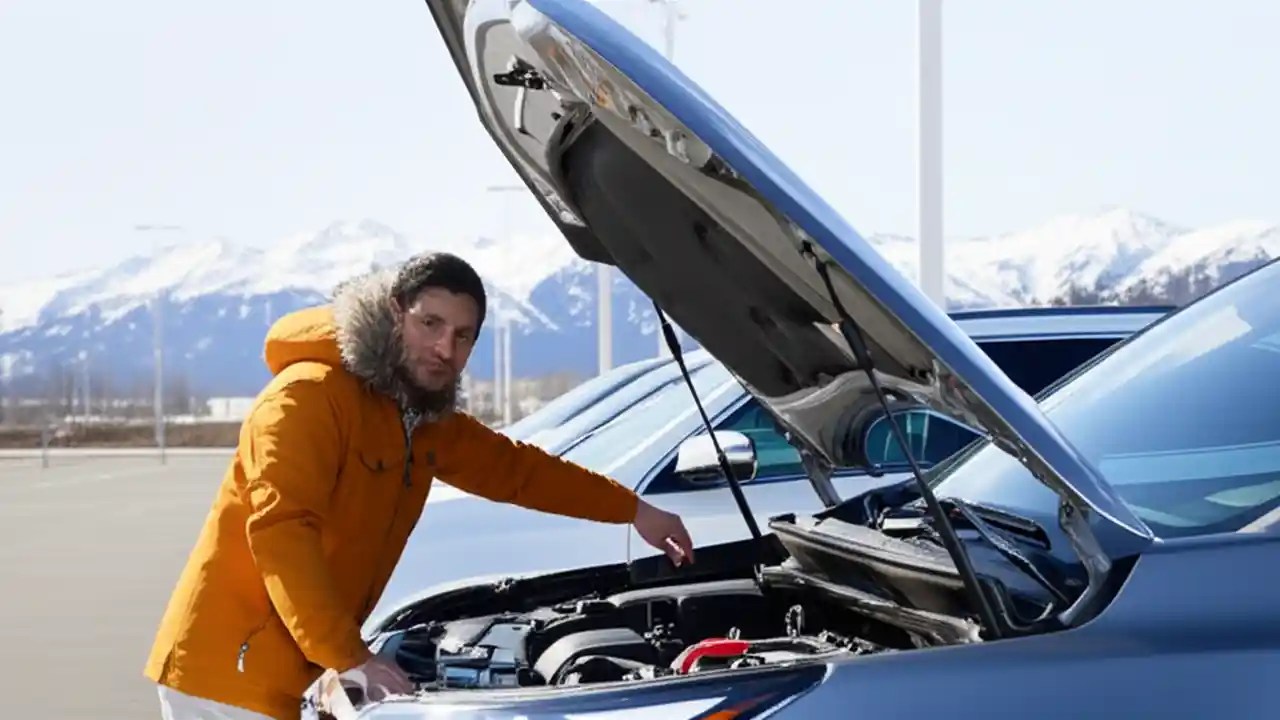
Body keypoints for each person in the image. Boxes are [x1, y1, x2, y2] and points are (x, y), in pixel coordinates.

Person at [143, 252, 695, 720]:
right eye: (429, 324)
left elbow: (518, 470)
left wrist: (633, 509)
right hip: (226, 669)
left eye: (462, 336)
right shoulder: (307, 397)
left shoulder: (416, 416)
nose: (444, 350)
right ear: (392, 315)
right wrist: (350, 657)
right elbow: (283, 534)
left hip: (286, 667)